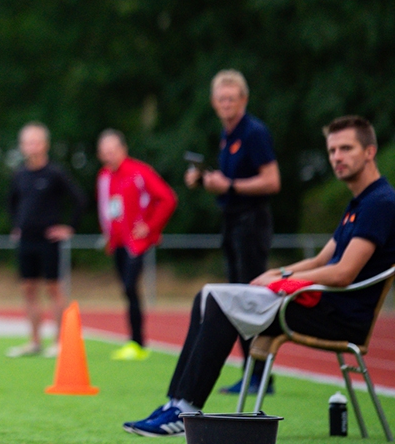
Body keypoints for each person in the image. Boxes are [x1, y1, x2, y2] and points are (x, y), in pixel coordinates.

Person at [124, 116, 395, 437]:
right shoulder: (359, 202)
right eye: (332, 150)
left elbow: (343, 273)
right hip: (321, 305)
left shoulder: (380, 203)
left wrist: (282, 284)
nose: (337, 157)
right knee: (207, 295)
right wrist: (278, 272)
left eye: (346, 148)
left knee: (221, 302)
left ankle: (184, 409)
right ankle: (176, 403)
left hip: (337, 315)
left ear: (369, 152)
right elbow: (323, 258)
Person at [184, 70, 281, 394]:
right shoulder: (227, 134)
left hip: (252, 221)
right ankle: (251, 372)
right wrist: (206, 181)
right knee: (238, 297)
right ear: (214, 103)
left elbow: (272, 180)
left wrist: (230, 185)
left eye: (232, 98)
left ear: (244, 99)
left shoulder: (253, 132)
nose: (226, 103)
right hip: (232, 220)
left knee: (251, 299)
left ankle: (260, 375)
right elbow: (227, 183)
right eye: (221, 98)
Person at [6, 122, 85, 358]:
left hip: (48, 240)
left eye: (36, 141)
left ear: (45, 145)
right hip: (26, 240)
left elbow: (79, 200)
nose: (32, 146)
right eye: (27, 142)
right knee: (28, 289)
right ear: (22, 146)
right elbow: (11, 203)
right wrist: (16, 227)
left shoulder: (55, 173)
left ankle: (59, 340)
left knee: (53, 288)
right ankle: (34, 340)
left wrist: (69, 227)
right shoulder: (19, 174)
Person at [96, 129, 177, 360]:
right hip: (118, 242)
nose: (108, 156)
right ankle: (134, 340)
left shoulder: (139, 172)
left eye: (112, 150)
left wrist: (150, 227)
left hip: (136, 242)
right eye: (104, 152)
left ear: (123, 149)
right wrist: (108, 235)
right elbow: (106, 208)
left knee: (130, 286)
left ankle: (138, 342)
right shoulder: (103, 176)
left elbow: (167, 199)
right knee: (127, 289)